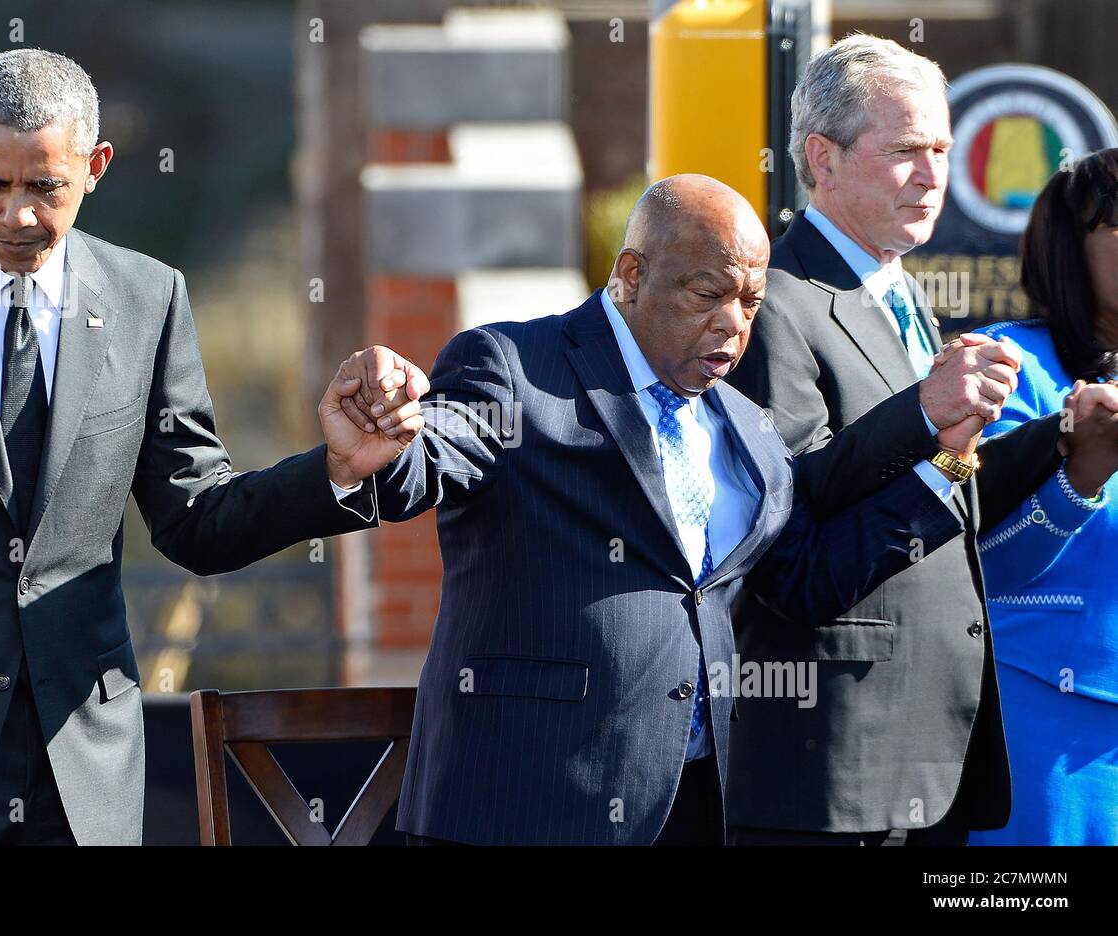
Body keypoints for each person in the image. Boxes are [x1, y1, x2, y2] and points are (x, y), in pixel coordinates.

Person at [0, 48, 426, 845]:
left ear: (96, 165)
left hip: (82, 773)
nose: (17, 216)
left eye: (46, 187)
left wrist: (336, 471)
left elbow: (198, 519)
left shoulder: (150, 297)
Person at [361, 173, 1013, 846]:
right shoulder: (514, 365)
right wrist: (383, 446)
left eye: (752, 303)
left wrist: (951, 463)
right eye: (709, 294)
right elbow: (426, 457)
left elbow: (806, 579)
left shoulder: (745, 429)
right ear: (632, 274)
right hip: (523, 812)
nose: (733, 322)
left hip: (692, 809)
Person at [724, 34, 1117, 845]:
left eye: (940, 147)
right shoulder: (777, 302)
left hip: (933, 762)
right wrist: (926, 417)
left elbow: (951, 482)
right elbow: (786, 519)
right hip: (835, 761)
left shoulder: (896, 290)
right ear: (821, 159)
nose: (935, 174)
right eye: (906, 150)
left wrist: (1066, 432)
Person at [968, 149, 1118, 845]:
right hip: (1044, 735)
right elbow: (969, 572)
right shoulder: (1006, 368)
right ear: (1070, 246)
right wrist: (1079, 475)